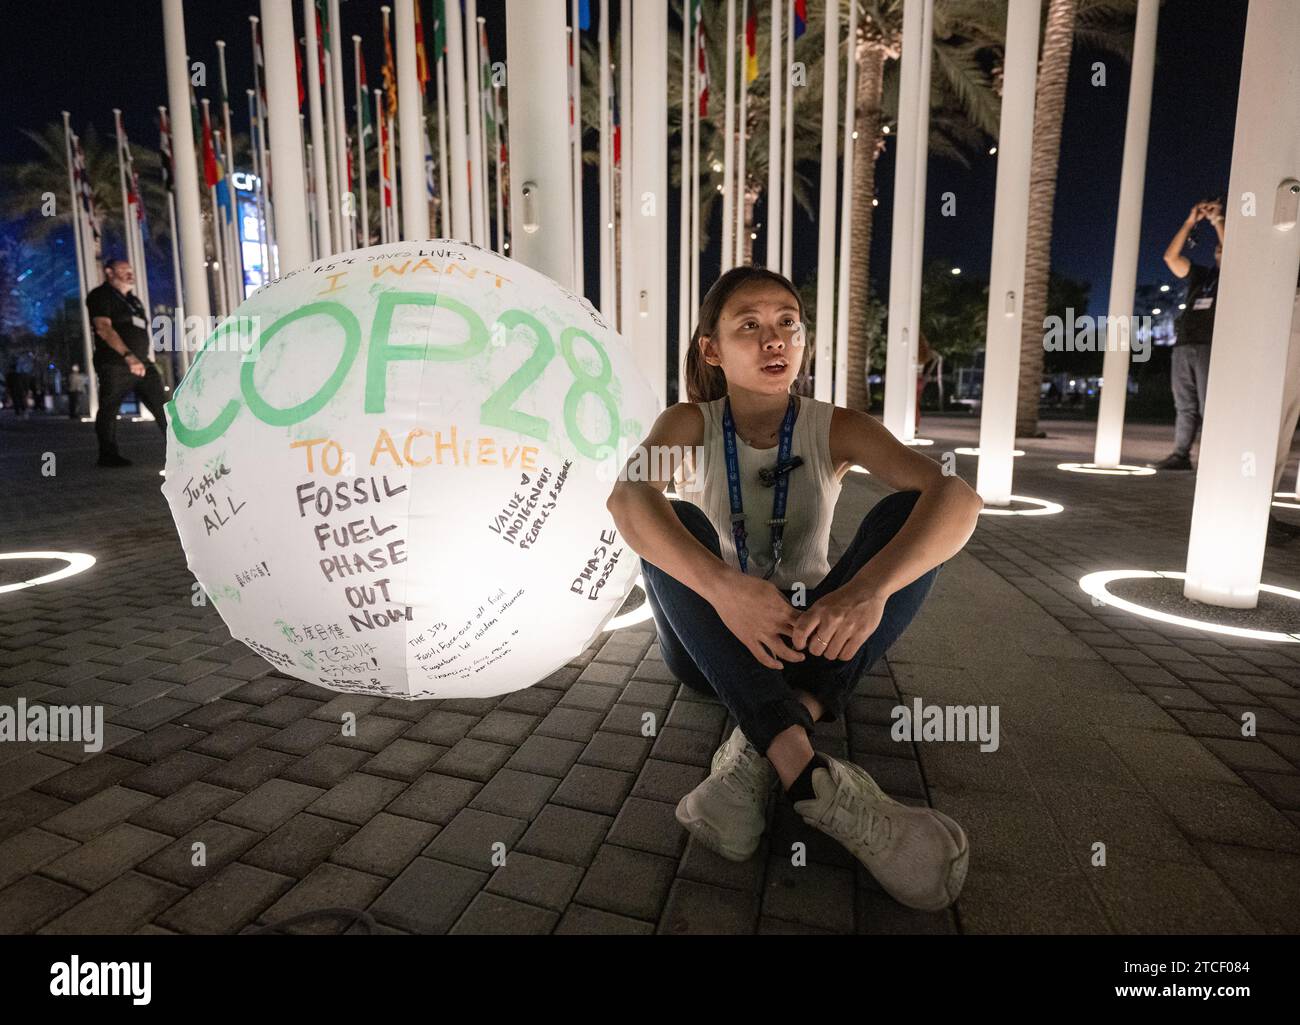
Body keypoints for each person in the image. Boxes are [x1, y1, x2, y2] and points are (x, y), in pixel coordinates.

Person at [606, 266, 984, 912]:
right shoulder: (688, 421)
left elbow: (958, 498)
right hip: (709, 643)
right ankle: (800, 749)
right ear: (711, 350)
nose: (774, 338)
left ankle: (769, 756)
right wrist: (726, 590)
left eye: (787, 322)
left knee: (908, 519)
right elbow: (627, 497)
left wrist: (867, 589)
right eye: (748, 326)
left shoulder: (835, 426)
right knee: (681, 522)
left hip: (816, 634)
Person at [1151, 199, 1225, 470]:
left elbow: (1236, 252)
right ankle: (1180, 455)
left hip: (1210, 345)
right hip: (1184, 344)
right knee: (1184, 404)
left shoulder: (1235, 275)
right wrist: (1190, 222)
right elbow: (1170, 258)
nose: (1219, 247)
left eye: (1223, 244)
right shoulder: (1202, 275)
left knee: (1209, 406)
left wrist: (1218, 221)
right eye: (1216, 245)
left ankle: (1214, 458)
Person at [86, 258, 168, 467]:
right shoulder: (101, 296)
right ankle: (108, 454)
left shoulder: (134, 301)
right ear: (109, 272)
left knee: (163, 405)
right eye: (123, 270)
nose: (129, 274)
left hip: (143, 363)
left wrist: (140, 358)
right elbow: (103, 328)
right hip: (116, 364)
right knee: (109, 408)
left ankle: (180, 451)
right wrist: (128, 356)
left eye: (130, 270)